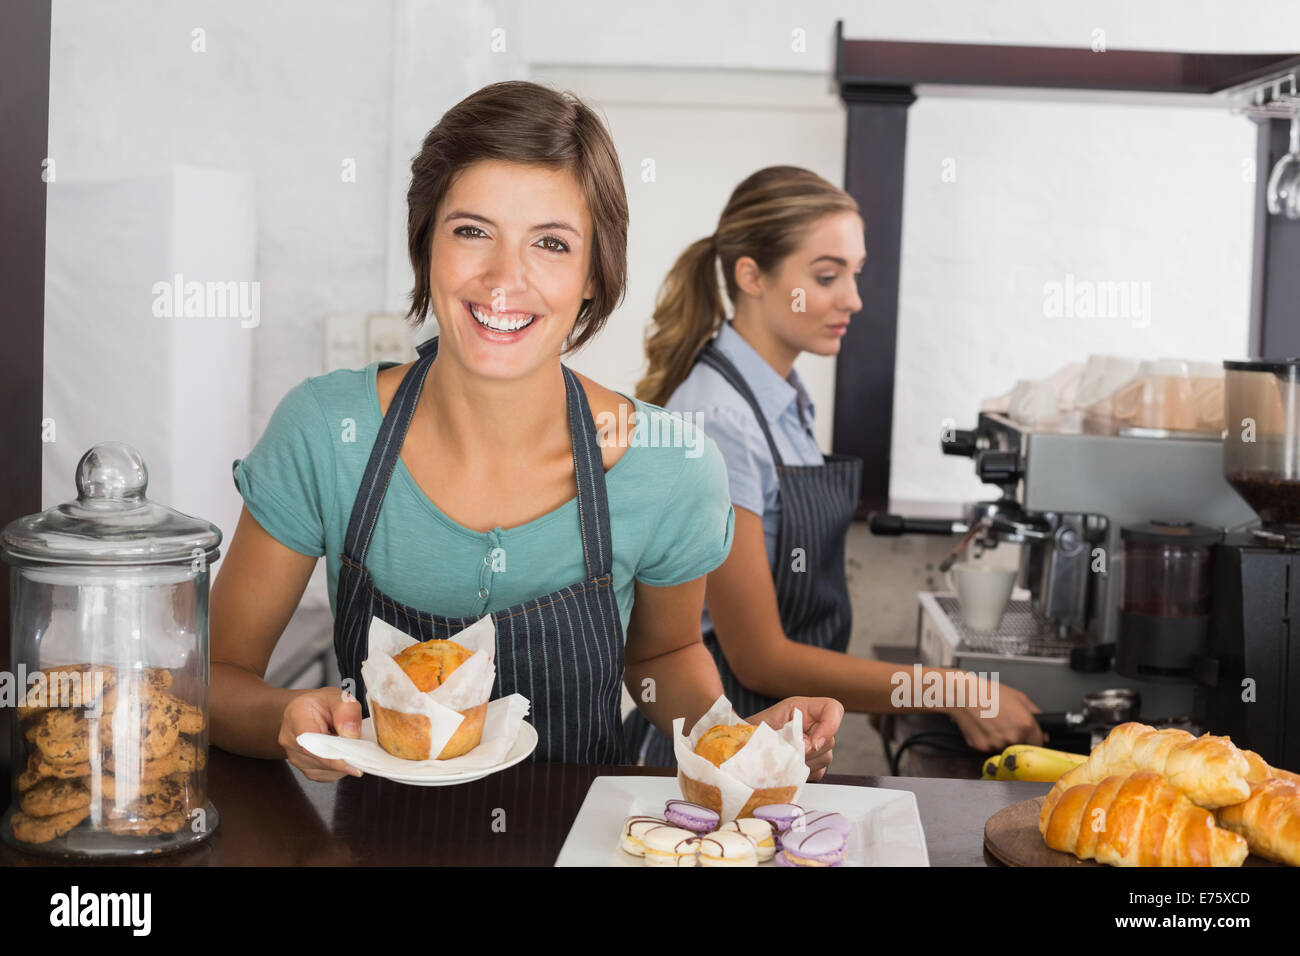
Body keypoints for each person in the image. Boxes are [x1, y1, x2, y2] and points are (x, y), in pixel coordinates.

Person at [208, 83, 844, 781]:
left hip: (585, 847)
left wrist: (737, 738)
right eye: (472, 231)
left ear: (594, 275)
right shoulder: (327, 433)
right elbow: (216, 678)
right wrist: (284, 719)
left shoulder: (672, 466)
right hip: (368, 843)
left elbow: (661, 661)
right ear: (426, 246)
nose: (505, 279)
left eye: (550, 243)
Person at [624, 165, 1044, 767]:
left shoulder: (782, 397)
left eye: (855, 273)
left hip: (776, 742)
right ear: (751, 275)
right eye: (827, 275)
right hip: (718, 746)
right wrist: (951, 690)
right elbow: (759, 656)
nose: (853, 298)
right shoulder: (721, 420)